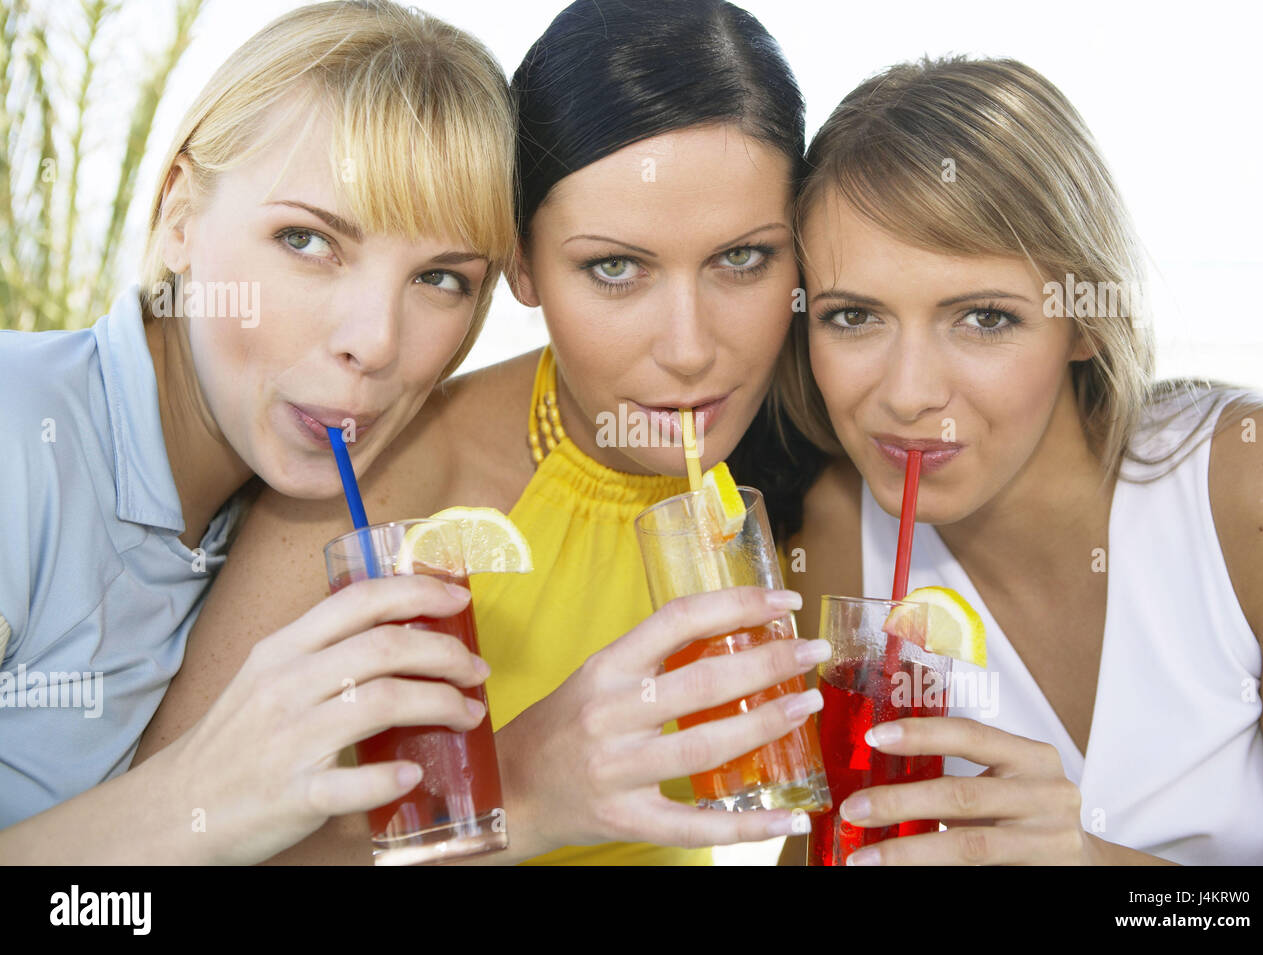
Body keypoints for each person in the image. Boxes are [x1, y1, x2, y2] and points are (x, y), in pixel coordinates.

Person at [135, 0, 829, 865]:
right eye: (614, 267)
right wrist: (520, 787)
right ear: (521, 266)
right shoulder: (377, 485)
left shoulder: (797, 492)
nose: (689, 351)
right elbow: (148, 868)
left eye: (743, 258)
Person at [0, 0, 520, 863]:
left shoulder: (281, 515)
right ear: (179, 217)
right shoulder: (19, 439)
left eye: (440, 277)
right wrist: (194, 796)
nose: (377, 339)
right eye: (307, 240)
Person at [780, 56, 1263, 865]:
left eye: (984, 317)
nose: (909, 393)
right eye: (854, 316)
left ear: (1087, 319)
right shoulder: (836, 537)